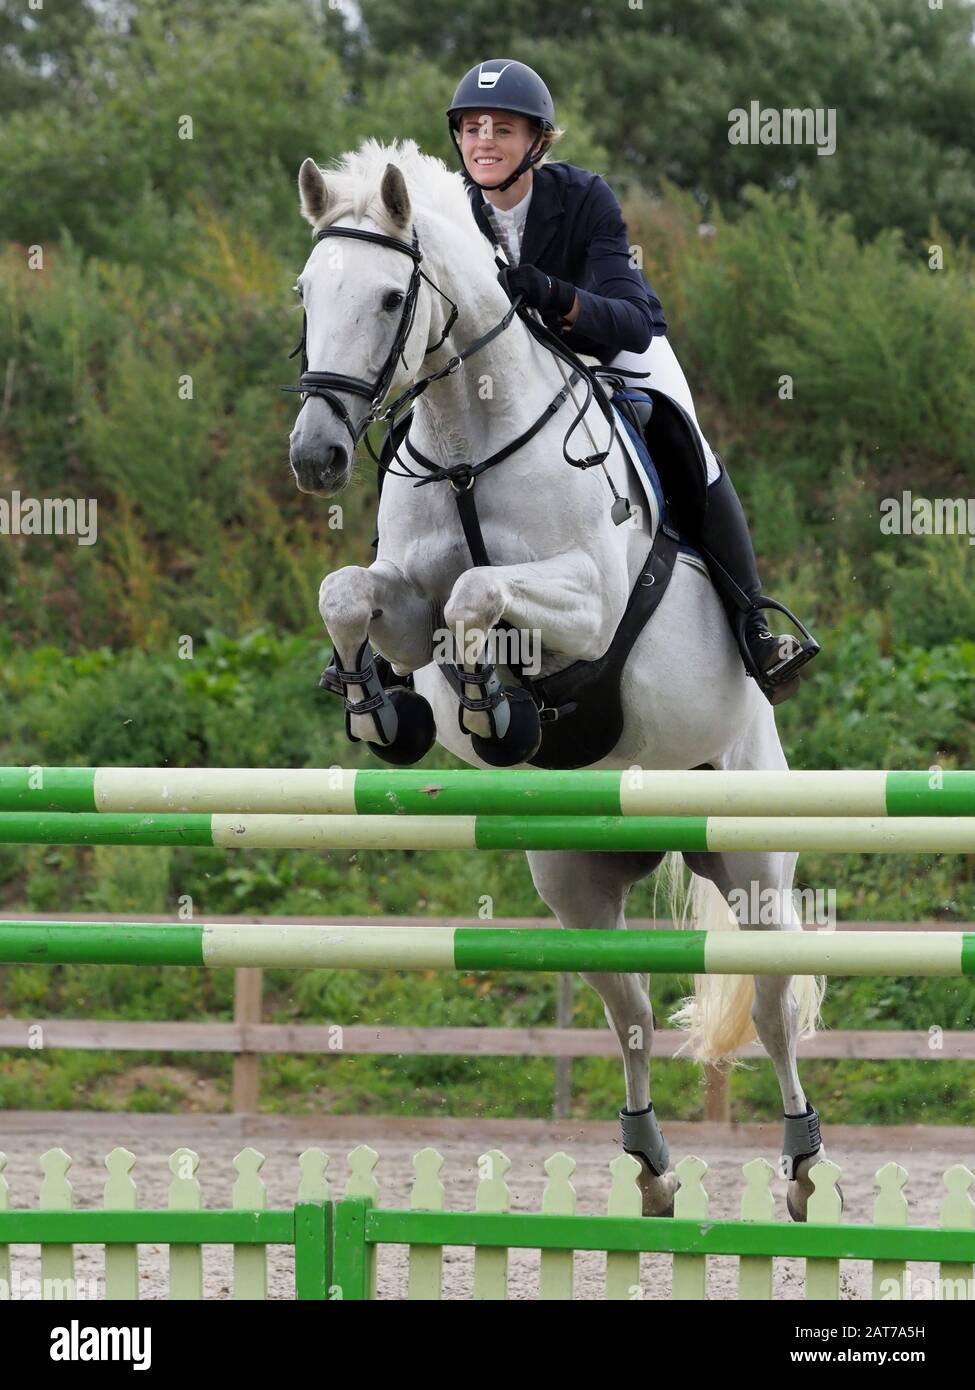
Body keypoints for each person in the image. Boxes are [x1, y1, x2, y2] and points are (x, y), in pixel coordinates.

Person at [445, 58, 819, 704]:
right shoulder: (452, 214)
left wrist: (553, 294)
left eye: (502, 129)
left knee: (681, 436)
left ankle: (752, 621)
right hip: (509, 375)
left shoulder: (583, 197)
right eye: (472, 127)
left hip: (606, 347)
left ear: (537, 140)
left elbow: (626, 320)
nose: (483, 141)